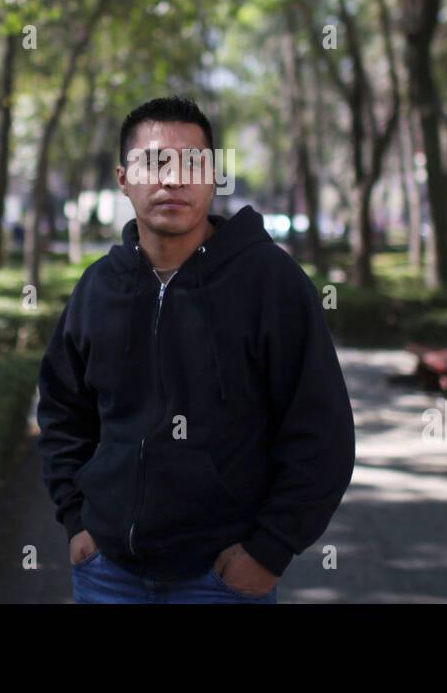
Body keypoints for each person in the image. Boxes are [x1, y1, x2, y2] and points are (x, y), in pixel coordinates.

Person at [36, 95, 356, 603]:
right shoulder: (98, 287)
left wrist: (269, 550)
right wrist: (77, 521)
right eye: (154, 162)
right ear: (124, 179)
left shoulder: (270, 281)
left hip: (221, 580)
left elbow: (322, 430)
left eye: (191, 162)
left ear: (213, 177)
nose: (173, 178)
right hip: (107, 574)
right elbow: (62, 412)